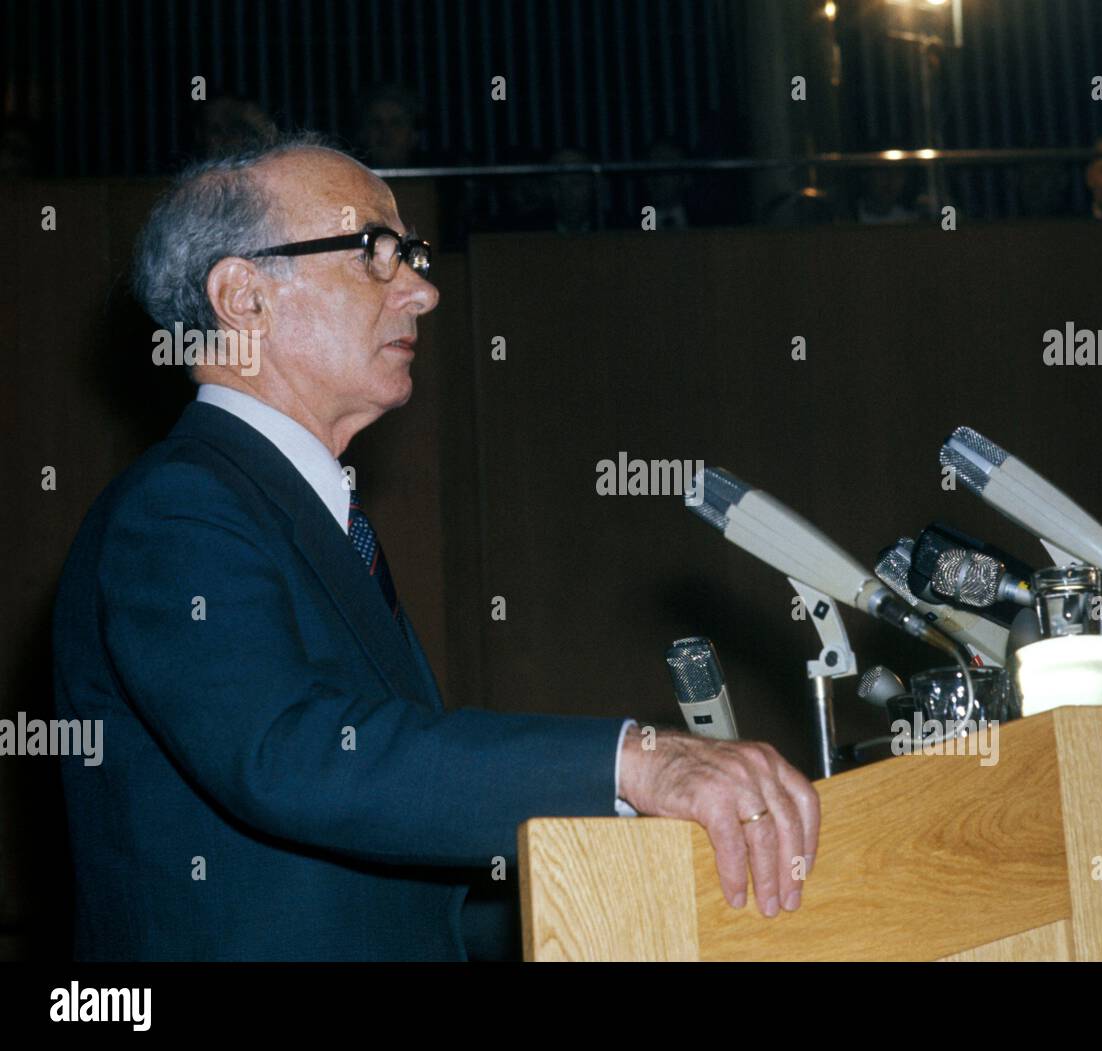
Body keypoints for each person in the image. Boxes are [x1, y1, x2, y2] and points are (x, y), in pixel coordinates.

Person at [51, 133, 819, 961]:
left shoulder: (308, 514)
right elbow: (289, 755)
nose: (422, 289)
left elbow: (397, 864)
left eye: (411, 252)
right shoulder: (178, 506)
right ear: (243, 298)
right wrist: (632, 760)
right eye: (375, 251)